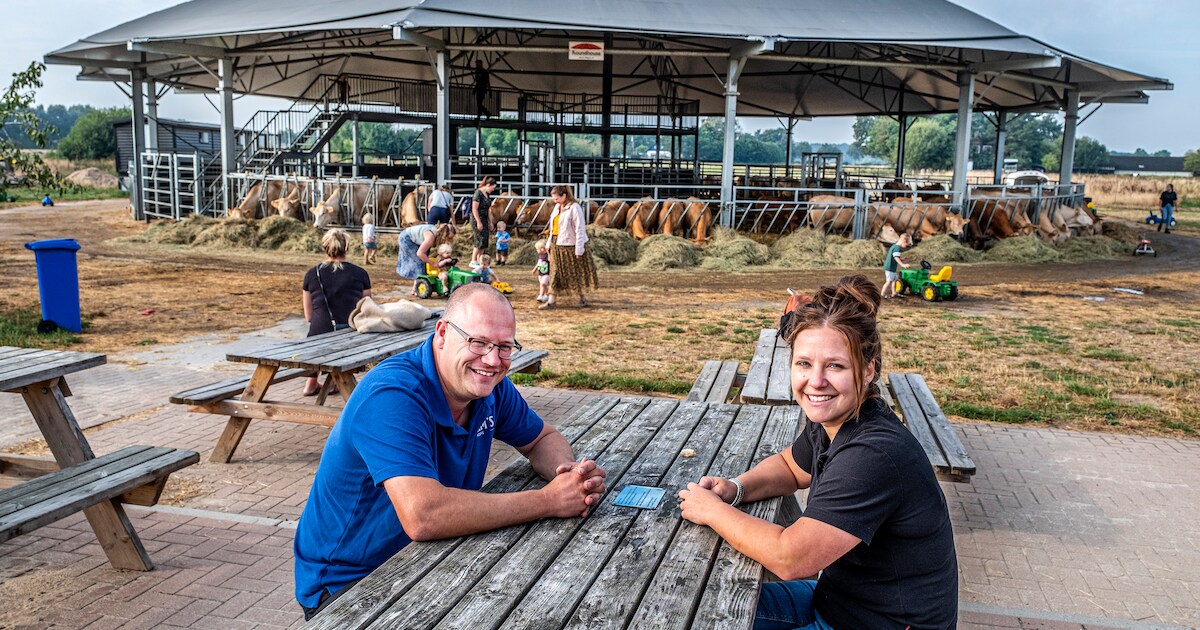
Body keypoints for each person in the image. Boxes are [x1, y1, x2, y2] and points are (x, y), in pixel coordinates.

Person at [294, 284, 606, 620]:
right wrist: (549, 500)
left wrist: (570, 474)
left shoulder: (490, 388)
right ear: (442, 333)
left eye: (504, 347)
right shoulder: (393, 394)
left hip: (430, 559)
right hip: (351, 584)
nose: (492, 360)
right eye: (478, 342)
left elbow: (541, 438)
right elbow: (423, 515)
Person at [678, 275, 958, 629]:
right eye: (804, 364)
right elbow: (790, 467)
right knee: (695, 605)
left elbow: (790, 557)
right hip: (836, 601)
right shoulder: (837, 418)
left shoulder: (874, 454)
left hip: (876, 623)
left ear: (867, 370)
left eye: (835, 366)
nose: (816, 381)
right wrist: (736, 488)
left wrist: (713, 511)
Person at [302, 229, 372, 396]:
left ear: (324, 247)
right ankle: (336, 382)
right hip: (349, 332)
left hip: (318, 334)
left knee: (317, 332)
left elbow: (309, 316)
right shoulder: (360, 273)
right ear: (347, 248)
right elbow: (367, 309)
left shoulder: (312, 274)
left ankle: (311, 383)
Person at [540, 184, 598, 310]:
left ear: (564, 196)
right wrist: (548, 244)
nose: (555, 201)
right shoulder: (557, 208)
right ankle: (551, 301)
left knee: (574, 273)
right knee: (555, 273)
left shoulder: (574, 208)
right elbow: (553, 228)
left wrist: (579, 249)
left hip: (570, 245)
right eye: (553, 198)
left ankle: (582, 297)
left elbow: (579, 229)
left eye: (556, 198)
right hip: (557, 244)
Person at [396, 222, 457, 296]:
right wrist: (432, 263)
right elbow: (420, 253)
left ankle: (416, 287)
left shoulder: (436, 235)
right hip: (407, 238)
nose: (450, 240)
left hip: (416, 239)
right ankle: (416, 289)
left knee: (424, 261)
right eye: (449, 238)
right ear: (444, 235)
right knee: (419, 262)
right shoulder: (431, 237)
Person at [471, 176, 499, 268]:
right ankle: (473, 260)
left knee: (484, 241)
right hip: (477, 219)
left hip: (485, 219)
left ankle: (480, 261)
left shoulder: (487, 194)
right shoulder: (478, 194)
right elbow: (474, 209)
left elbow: (488, 210)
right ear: (488, 185)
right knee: (479, 239)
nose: (493, 190)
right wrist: (478, 222)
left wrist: (490, 222)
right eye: (492, 188)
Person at [880, 232, 912, 299]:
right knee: (888, 281)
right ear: (904, 241)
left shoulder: (894, 246)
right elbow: (896, 257)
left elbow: (894, 256)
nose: (906, 247)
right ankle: (882, 294)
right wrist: (902, 264)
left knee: (895, 279)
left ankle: (894, 293)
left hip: (892, 267)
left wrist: (902, 259)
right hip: (890, 267)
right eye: (907, 245)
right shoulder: (897, 248)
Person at [533, 239, 551, 303]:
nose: (537, 250)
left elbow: (550, 260)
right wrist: (535, 269)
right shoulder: (540, 255)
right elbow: (539, 262)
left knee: (543, 284)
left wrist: (548, 252)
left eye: (537, 249)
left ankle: (541, 295)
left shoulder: (548, 255)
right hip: (540, 273)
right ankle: (546, 295)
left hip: (547, 273)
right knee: (544, 285)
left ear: (542, 249)